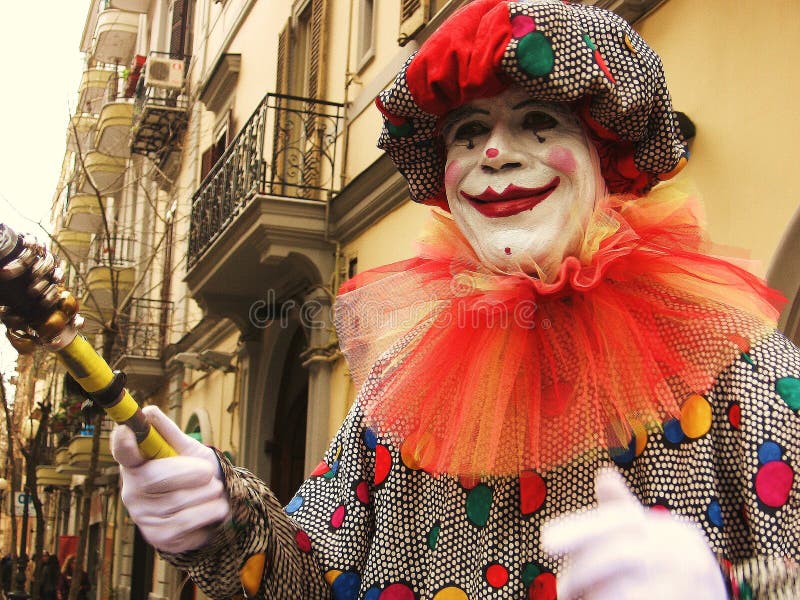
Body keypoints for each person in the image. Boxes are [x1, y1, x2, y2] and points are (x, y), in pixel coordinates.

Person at [110, 1, 800, 598]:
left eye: (537, 120)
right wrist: (220, 520)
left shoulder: (729, 358)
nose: (494, 153)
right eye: (469, 132)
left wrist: (723, 590)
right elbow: (311, 576)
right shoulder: (405, 381)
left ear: (604, 154)